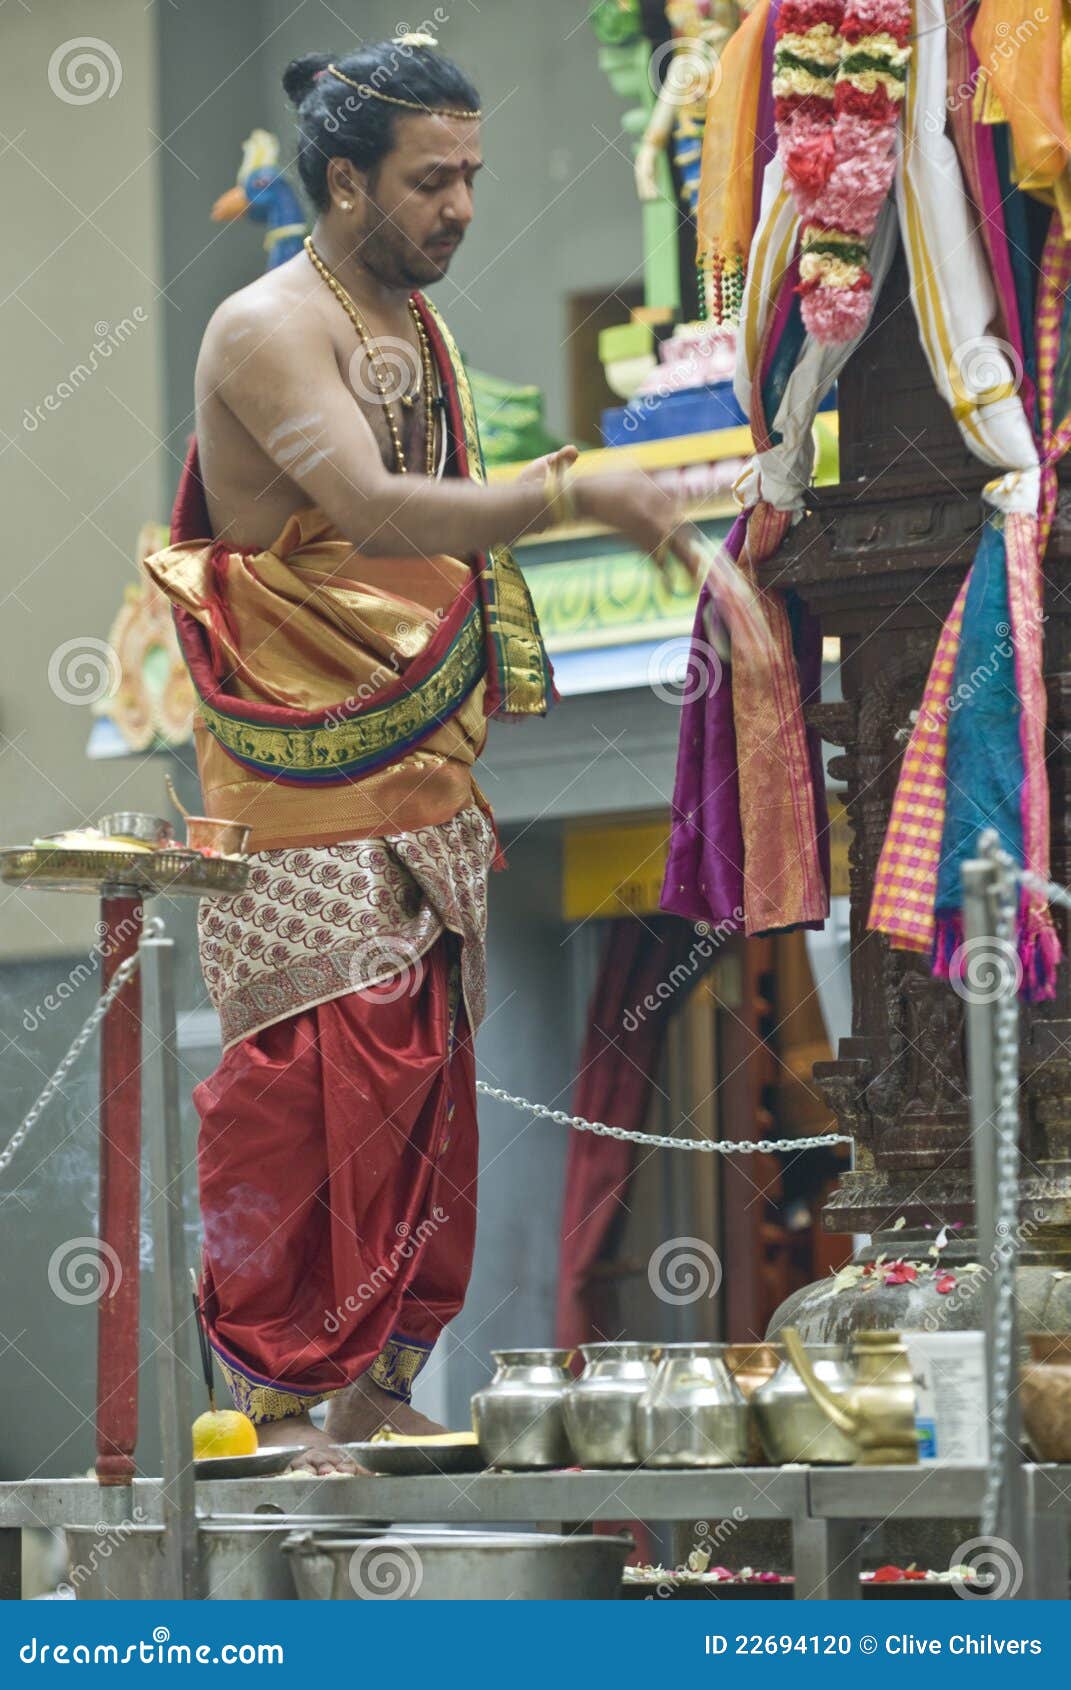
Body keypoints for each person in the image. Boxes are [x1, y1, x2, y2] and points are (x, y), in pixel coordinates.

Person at [144, 34, 700, 1472]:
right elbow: (382, 514)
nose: (461, 206)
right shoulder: (270, 327)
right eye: (430, 181)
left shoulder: (416, 326)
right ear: (343, 183)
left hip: (421, 758)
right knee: (313, 1074)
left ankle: (377, 1387)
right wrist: (578, 486)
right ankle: (268, 1406)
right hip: (299, 765)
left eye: (471, 176)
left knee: (423, 1075)